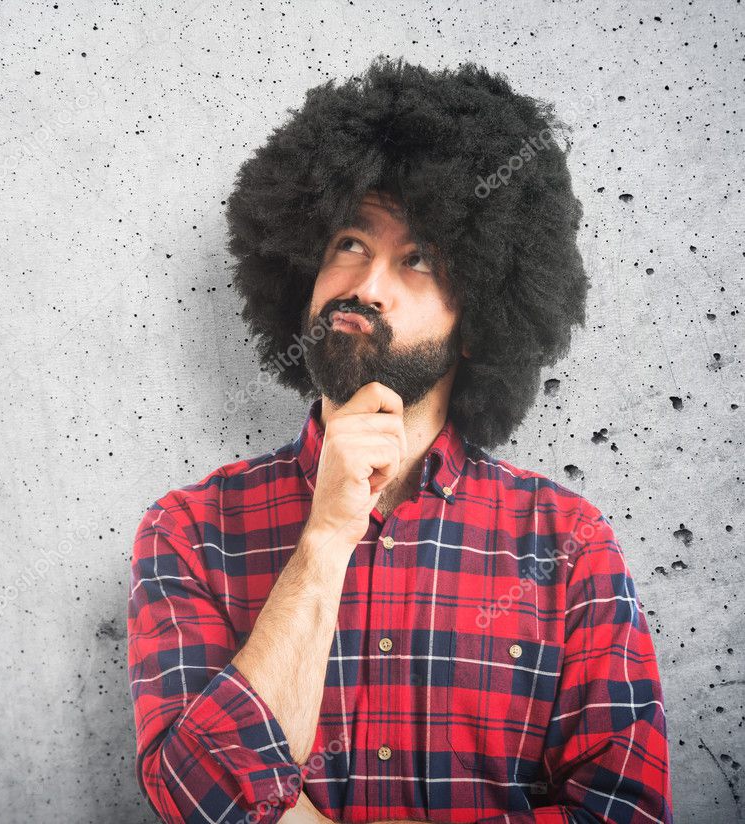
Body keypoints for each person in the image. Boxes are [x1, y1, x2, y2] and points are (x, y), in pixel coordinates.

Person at [127, 56, 672, 824]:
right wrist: (323, 540)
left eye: (416, 258)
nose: (366, 284)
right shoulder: (188, 531)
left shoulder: (567, 543)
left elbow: (623, 811)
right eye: (350, 242)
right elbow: (198, 793)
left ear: (479, 321)